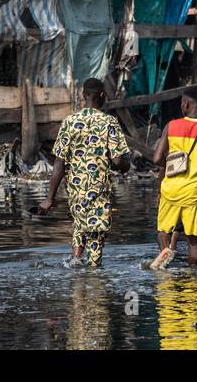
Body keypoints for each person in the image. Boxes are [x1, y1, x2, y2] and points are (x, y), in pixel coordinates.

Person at [37, 78, 132, 267]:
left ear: (83, 95)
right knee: (95, 236)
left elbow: (59, 162)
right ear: (103, 96)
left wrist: (49, 198)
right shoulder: (109, 122)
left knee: (79, 229)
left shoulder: (70, 122)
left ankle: (76, 273)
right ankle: (93, 278)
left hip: (76, 191)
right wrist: (125, 165)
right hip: (98, 191)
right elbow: (118, 160)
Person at [150, 88, 197, 268]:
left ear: (185, 104)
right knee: (194, 240)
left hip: (171, 189)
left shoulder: (172, 126)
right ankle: (193, 275)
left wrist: (174, 163)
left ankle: (164, 251)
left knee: (163, 231)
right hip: (196, 192)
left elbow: (157, 159)